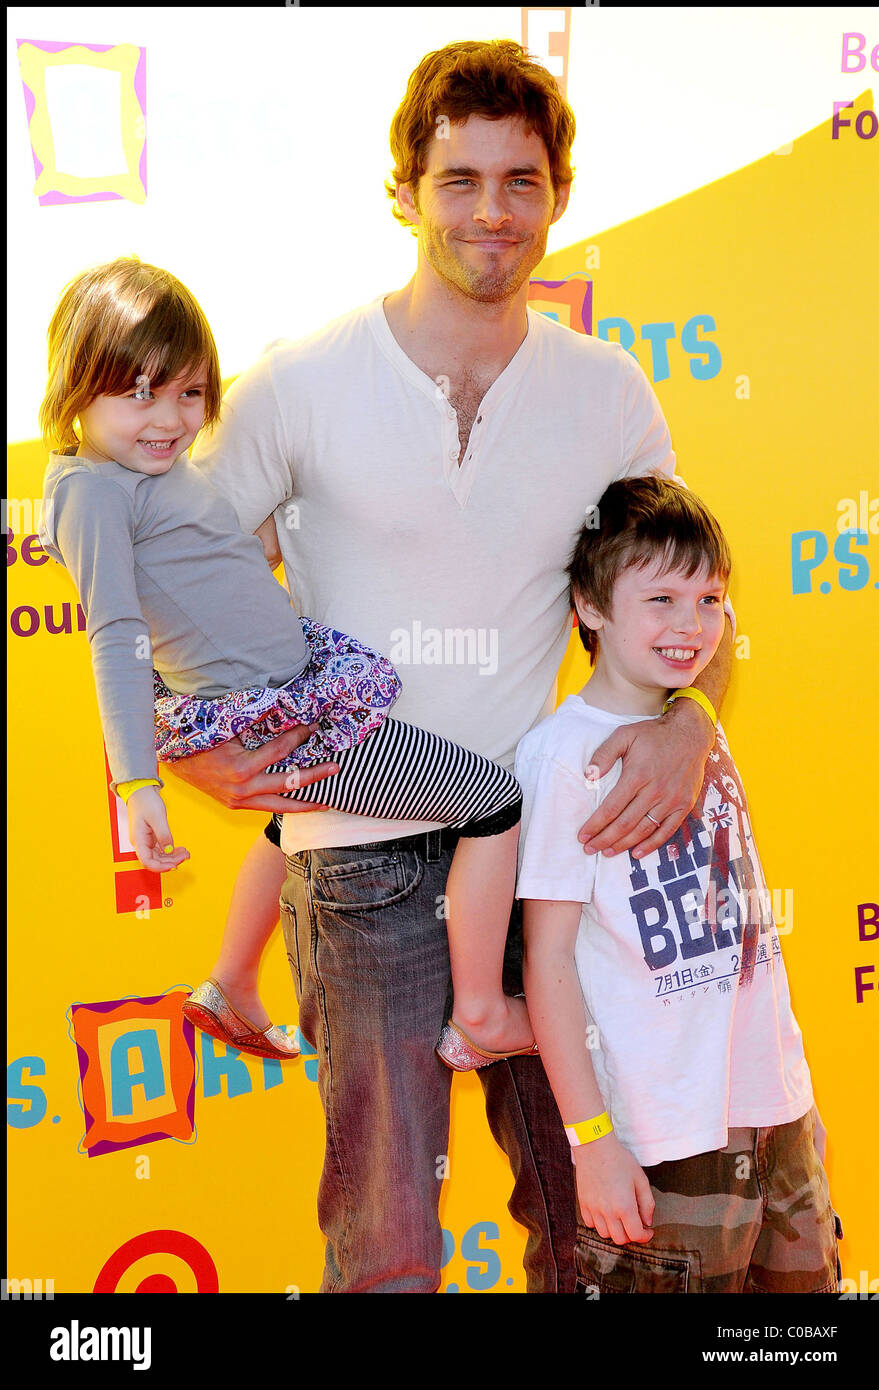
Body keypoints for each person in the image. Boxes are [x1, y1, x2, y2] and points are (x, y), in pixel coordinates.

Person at [159, 38, 737, 1292]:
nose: (490, 211)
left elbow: (679, 593)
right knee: (387, 1249)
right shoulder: (296, 383)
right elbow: (184, 581)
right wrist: (193, 740)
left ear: (558, 195)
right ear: (403, 192)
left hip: (546, 860)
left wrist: (688, 717)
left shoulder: (607, 393)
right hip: (356, 866)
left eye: (520, 181)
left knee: (594, 1231)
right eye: (458, 180)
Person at [37, 256, 544, 1069]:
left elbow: (216, 560)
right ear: (75, 390)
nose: (168, 419)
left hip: (289, 689)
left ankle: (231, 981)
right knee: (492, 800)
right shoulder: (91, 492)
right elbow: (116, 634)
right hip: (272, 711)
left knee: (289, 821)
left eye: (190, 393)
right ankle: (482, 1009)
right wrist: (136, 784)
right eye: (138, 394)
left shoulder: (144, 471)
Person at [516, 474, 841, 1294]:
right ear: (590, 607)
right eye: (660, 599)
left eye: (709, 601)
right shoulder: (562, 758)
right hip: (660, 1139)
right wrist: (592, 1141)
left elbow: (747, 941)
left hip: (773, 1118)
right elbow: (547, 959)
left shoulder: (697, 731)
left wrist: (794, 1104)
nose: (690, 625)